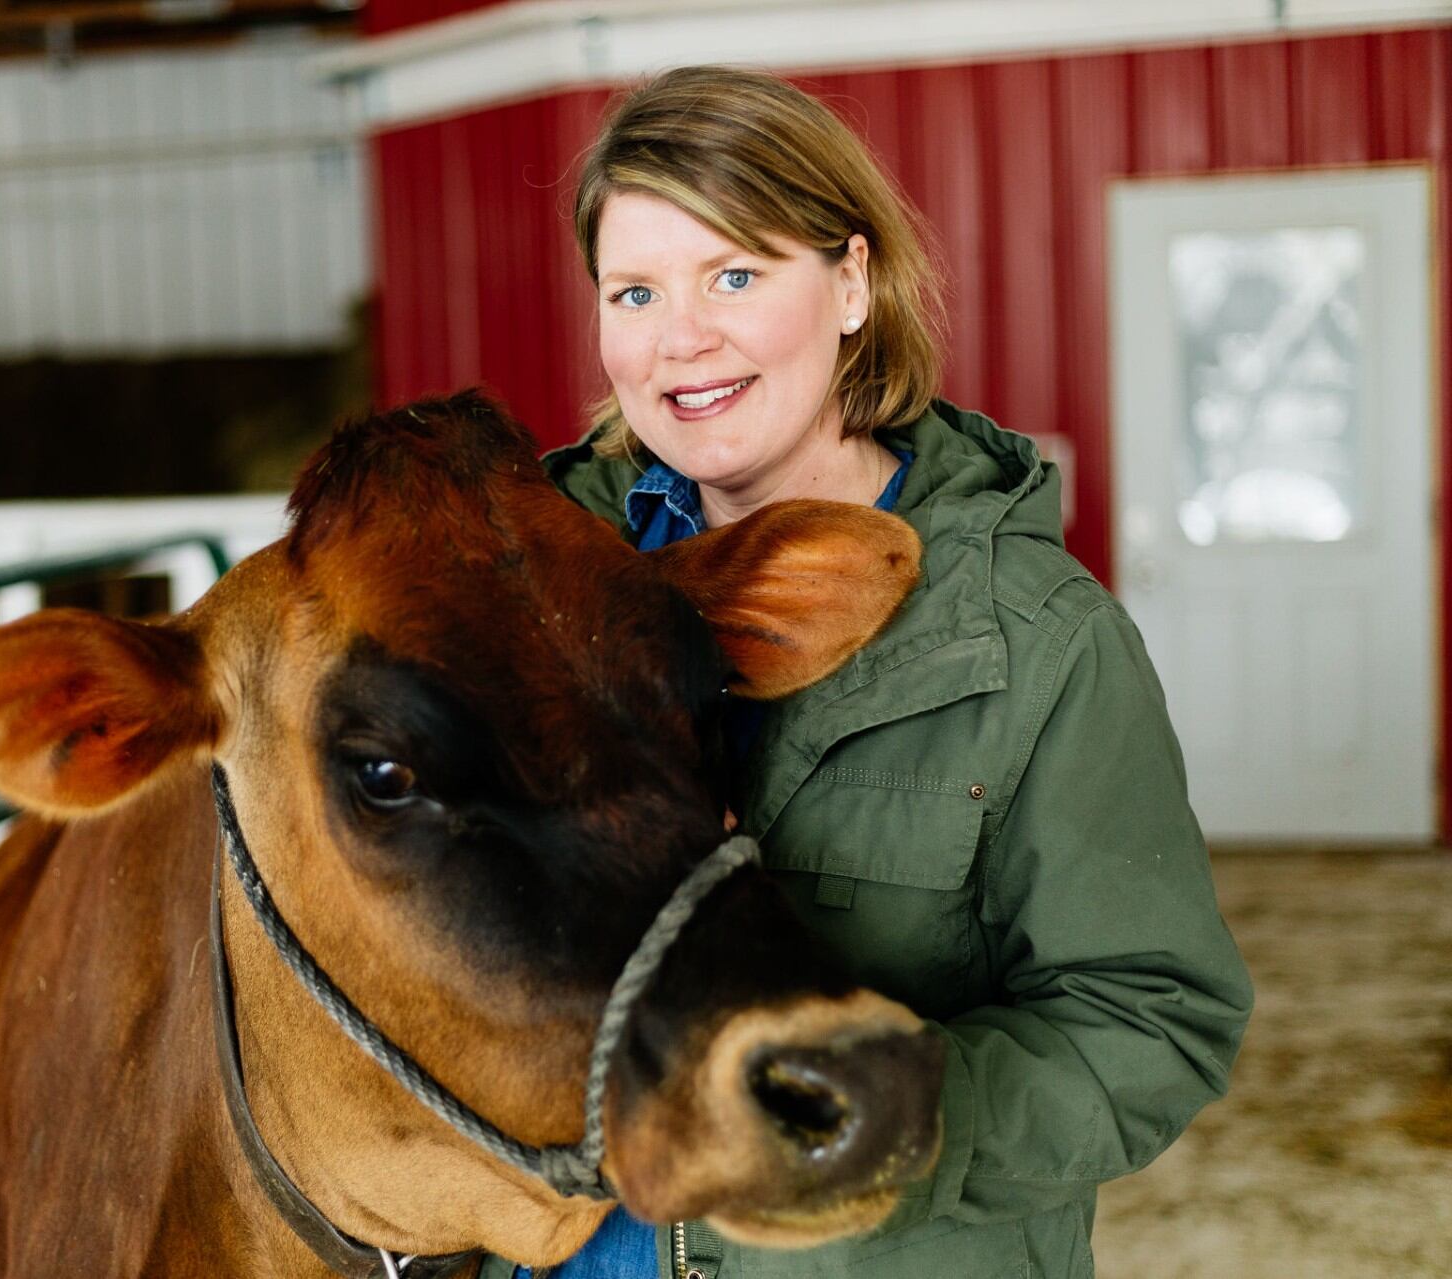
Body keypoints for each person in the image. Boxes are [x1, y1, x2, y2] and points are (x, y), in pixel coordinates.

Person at [488, 65, 1254, 1279]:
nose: (682, 338)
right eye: (633, 291)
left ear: (851, 283)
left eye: (735, 275)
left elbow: (1152, 1017)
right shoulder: (516, 586)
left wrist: (878, 1127)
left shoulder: (1034, 640)